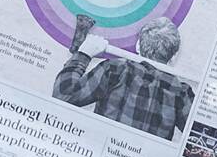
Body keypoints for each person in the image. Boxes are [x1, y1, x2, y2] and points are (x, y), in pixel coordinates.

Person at [52, 17, 195, 140]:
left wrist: (84, 54)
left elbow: (63, 94)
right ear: (174, 55)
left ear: (138, 46)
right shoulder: (182, 93)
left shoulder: (115, 69)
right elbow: (198, 139)